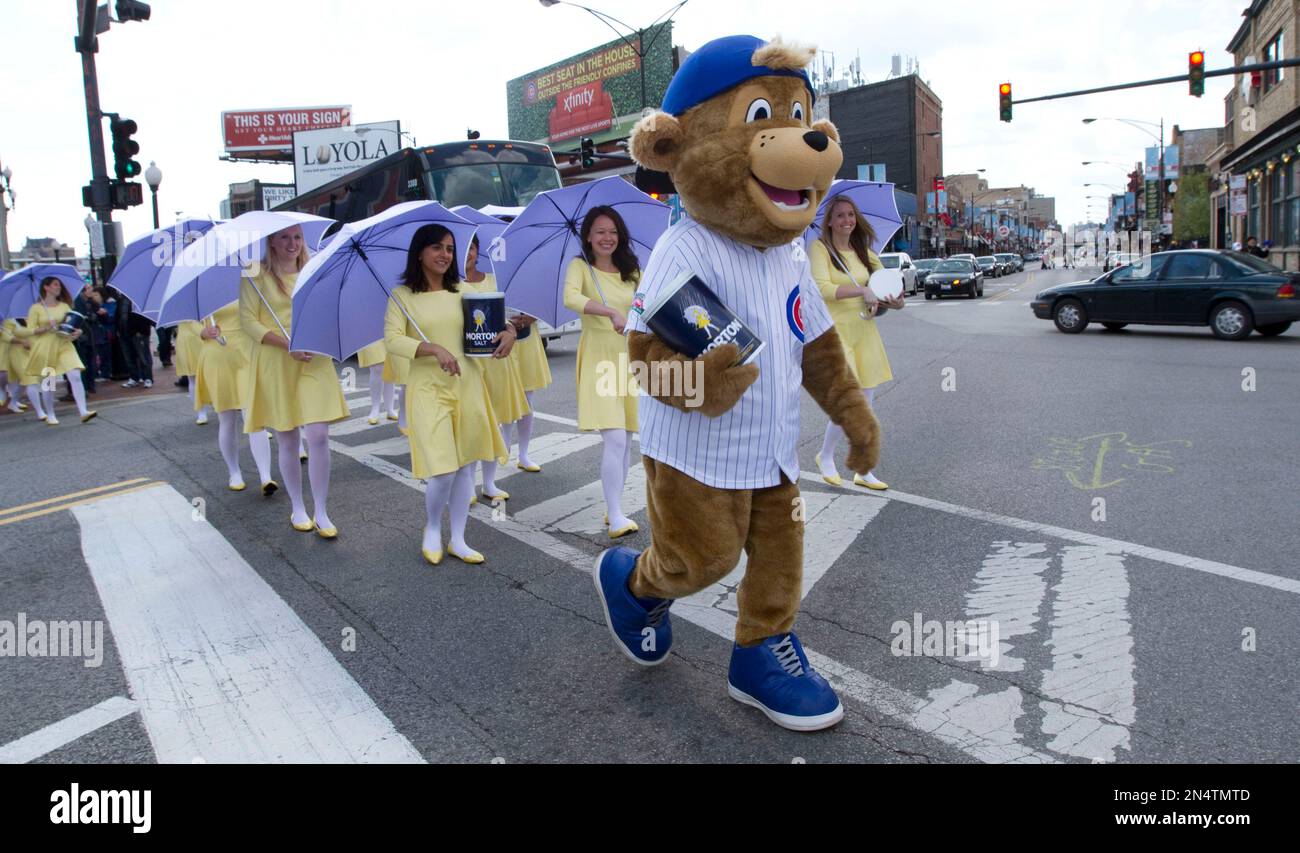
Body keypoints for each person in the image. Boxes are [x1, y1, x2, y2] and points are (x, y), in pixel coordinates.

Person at [384, 224, 513, 565]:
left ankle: (458, 538)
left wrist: (510, 332)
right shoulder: (402, 297)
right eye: (437, 248)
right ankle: (431, 528)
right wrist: (432, 349)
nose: (445, 255)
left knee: (466, 466)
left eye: (450, 249)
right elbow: (393, 339)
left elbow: (495, 322)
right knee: (442, 469)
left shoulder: (462, 293)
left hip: (467, 383)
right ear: (420, 252)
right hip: (427, 389)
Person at [240, 224, 350, 537]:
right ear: (271, 241)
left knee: (317, 435)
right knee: (288, 437)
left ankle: (322, 510)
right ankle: (297, 508)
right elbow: (247, 322)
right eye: (285, 237)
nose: (293, 243)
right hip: (277, 363)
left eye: (298, 237)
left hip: (315, 359)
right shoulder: (253, 273)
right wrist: (286, 345)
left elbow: (330, 310)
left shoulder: (315, 269)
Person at [809, 196, 902, 490]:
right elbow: (823, 288)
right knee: (848, 402)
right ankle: (824, 456)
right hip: (836, 334)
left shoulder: (865, 251)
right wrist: (862, 290)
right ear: (830, 221)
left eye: (850, 215)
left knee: (866, 404)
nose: (846, 220)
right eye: (839, 216)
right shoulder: (820, 248)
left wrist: (894, 301)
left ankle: (863, 468)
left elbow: (884, 285)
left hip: (865, 332)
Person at [562, 206, 641, 538]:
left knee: (624, 439)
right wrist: (609, 311)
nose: (607, 238)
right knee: (613, 438)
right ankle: (615, 513)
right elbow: (570, 298)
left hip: (630, 359)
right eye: (600, 232)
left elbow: (643, 305)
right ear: (588, 236)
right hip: (599, 357)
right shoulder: (579, 266)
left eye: (612, 231)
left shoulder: (632, 270)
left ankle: (615, 507)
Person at [461, 235, 530, 501]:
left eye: (472, 248)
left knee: (498, 423)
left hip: (497, 361)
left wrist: (511, 330)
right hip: (468, 365)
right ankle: (467, 484)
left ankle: (489, 483)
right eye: (461, 248)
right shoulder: (450, 285)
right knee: (470, 424)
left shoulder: (494, 280)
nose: (467, 253)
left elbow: (509, 318)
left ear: (478, 251)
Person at [193, 301, 276, 494]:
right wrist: (203, 332)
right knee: (227, 418)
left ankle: (266, 476)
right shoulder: (201, 282)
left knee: (253, 414)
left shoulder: (247, 280)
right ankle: (234, 472)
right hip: (217, 355)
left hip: (247, 352)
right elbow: (191, 322)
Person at [22, 277, 96, 424]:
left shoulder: (64, 306)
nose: (58, 287)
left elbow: (71, 324)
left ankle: (83, 411)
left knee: (75, 374)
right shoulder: (36, 308)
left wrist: (78, 332)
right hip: (45, 347)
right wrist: (45, 328)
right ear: (46, 287)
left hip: (64, 344)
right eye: (55, 285)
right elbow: (29, 331)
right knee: (49, 383)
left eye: (59, 285)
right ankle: (50, 414)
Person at [508, 309, 550, 472]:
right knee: (505, 398)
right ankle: (504, 445)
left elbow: (543, 304)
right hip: (501, 338)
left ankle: (523, 454)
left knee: (527, 400)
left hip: (527, 341)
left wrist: (531, 317)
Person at [171, 319, 210, 423]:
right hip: (198, 337)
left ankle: (201, 412)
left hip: (187, 338)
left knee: (193, 379)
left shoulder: (176, 304)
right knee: (198, 378)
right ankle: (203, 411)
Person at [356, 340, 396, 426]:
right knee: (377, 367)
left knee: (389, 366)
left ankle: (390, 409)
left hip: (387, 330)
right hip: (367, 331)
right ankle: (375, 408)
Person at [120, 309, 155, 389]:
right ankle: (134, 378)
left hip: (139, 332)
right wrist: (119, 329)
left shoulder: (138, 300)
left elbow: (146, 316)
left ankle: (148, 378)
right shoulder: (123, 299)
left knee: (144, 357)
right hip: (125, 332)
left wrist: (142, 331)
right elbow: (120, 314)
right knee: (129, 358)